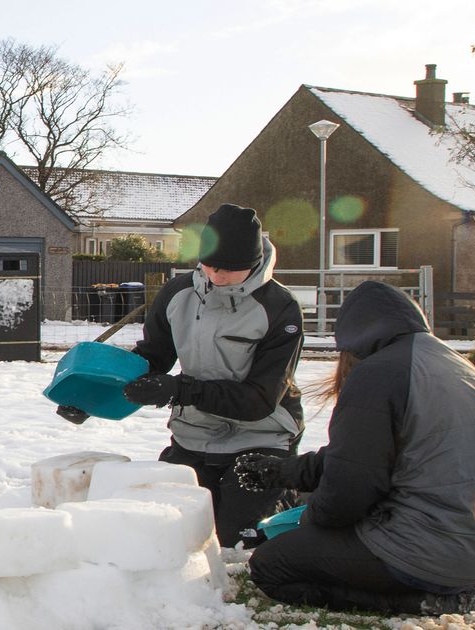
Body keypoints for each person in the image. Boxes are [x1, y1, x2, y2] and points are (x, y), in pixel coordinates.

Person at [236, 280, 475, 616]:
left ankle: (421, 601)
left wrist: (309, 522)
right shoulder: (454, 364)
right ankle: (456, 582)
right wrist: (284, 472)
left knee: (272, 564)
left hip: (426, 552)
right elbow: (363, 458)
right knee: (315, 504)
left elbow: (349, 492)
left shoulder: (376, 374)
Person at [61, 203, 305, 548]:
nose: (217, 276)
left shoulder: (279, 307)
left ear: (253, 265)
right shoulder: (178, 294)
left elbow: (259, 400)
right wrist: (91, 395)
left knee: (236, 540)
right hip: (195, 435)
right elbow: (151, 360)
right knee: (176, 532)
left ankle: (295, 496)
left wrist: (181, 390)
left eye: (230, 270)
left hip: (261, 436)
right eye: (210, 266)